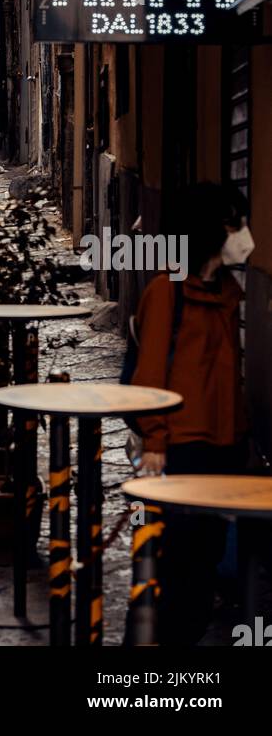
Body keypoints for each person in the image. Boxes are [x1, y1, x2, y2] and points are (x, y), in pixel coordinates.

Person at [131, 182, 259, 646]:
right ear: (210, 230)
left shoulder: (227, 292)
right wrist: (155, 443)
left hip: (223, 450)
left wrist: (242, 441)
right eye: (234, 224)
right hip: (180, 452)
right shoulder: (169, 293)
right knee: (171, 572)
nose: (244, 234)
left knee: (204, 572)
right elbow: (149, 378)